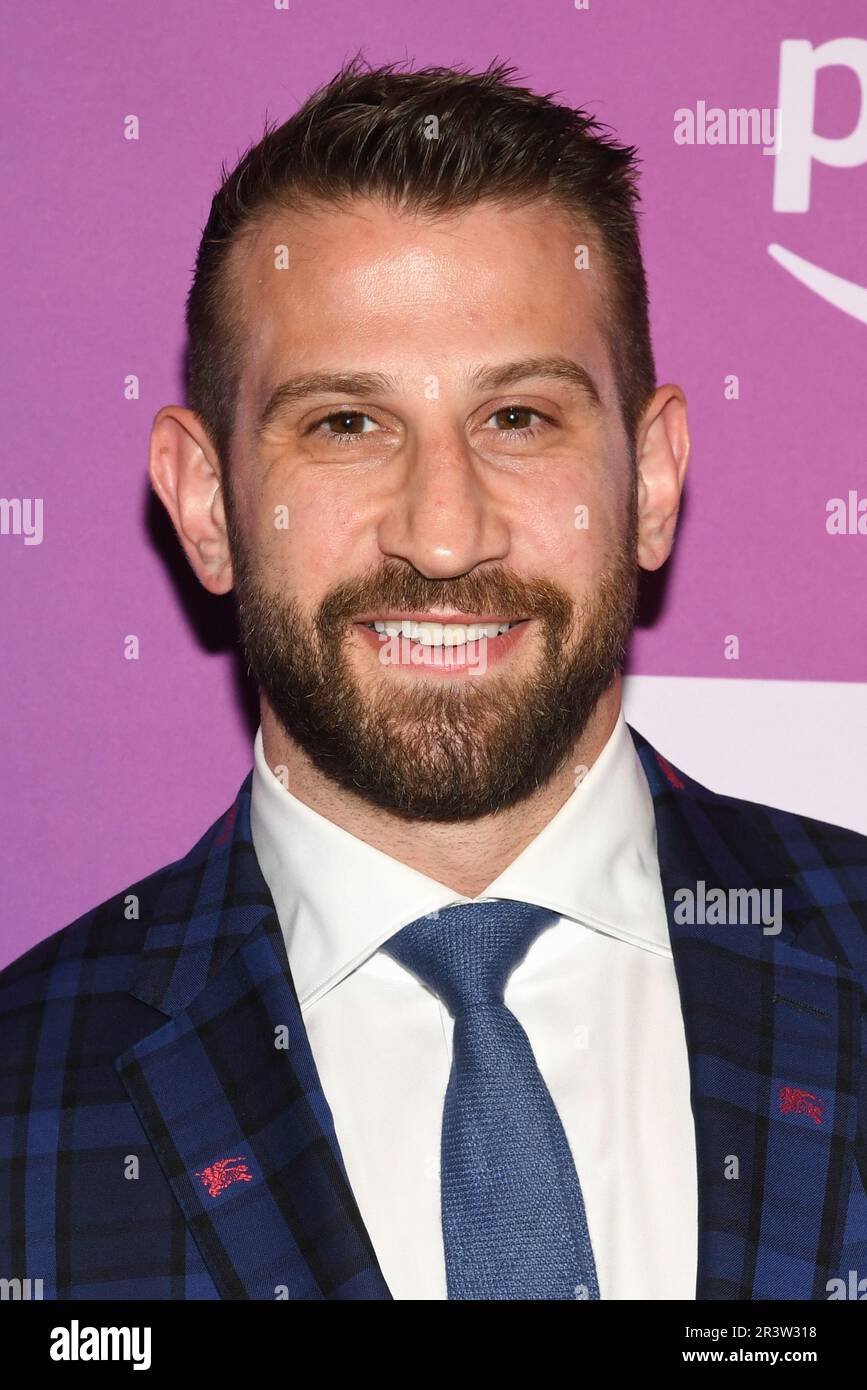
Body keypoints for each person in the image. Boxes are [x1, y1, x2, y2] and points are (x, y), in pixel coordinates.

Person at [1, 55, 865, 1302]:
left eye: (518, 416)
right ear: (205, 504)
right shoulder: (26, 1088)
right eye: (347, 424)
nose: (444, 534)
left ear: (655, 479)